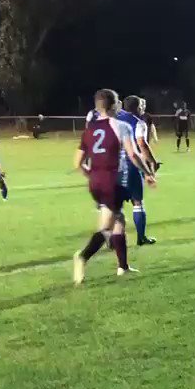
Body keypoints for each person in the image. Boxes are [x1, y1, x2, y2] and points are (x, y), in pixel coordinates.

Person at [73, 89, 156, 282]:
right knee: (107, 228)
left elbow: (77, 163)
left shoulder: (89, 130)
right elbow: (134, 155)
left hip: (95, 183)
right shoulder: (120, 126)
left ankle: (123, 267)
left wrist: (91, 174)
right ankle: (83, 257)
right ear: (114, 105)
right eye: (118, 102)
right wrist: (148, 174)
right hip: (112, 183)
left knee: (119, 222)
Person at [118, 95, 158, 246]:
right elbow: (142, 144)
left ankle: (112, 240)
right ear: (137, 108)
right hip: (131, 165)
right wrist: (151, 162)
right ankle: (141, 238)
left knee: (115, 205)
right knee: (137, 203)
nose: (143, 108)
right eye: (141, 105)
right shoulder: (138, 122)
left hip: (114, 167)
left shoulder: (116, 118)